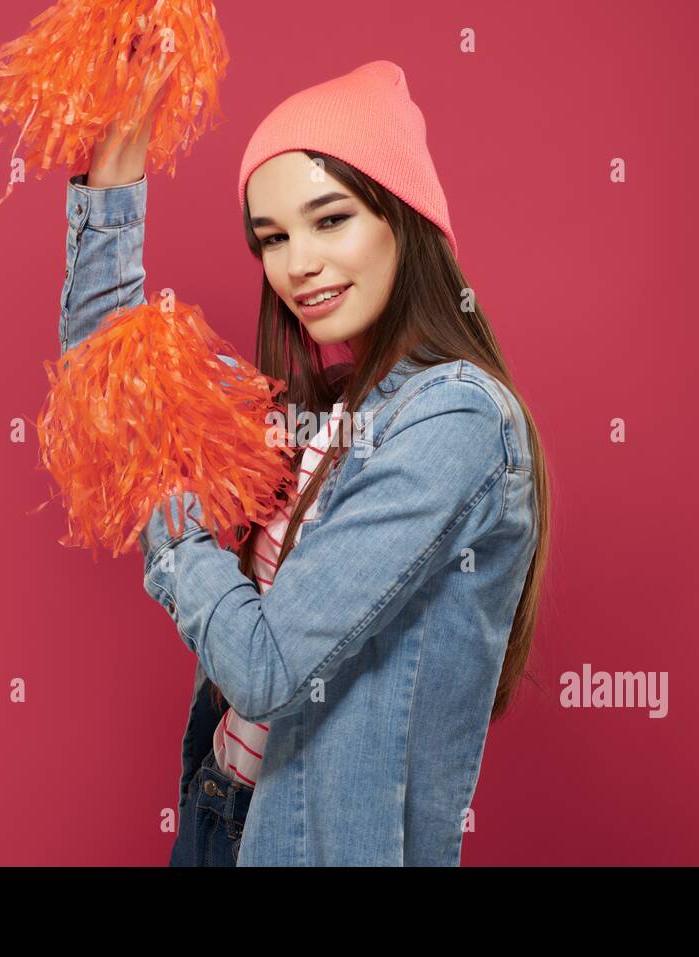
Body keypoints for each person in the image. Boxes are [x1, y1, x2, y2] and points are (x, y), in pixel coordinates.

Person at [57, 60, 552, 866]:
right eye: (274, 238)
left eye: (330, 219)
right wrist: (117, 168)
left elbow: (267, 664)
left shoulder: (454, 417)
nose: (299, 263)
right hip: (220, 813)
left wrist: (164, 494)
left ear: (406, 218)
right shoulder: (314, 410)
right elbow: (105, 382)